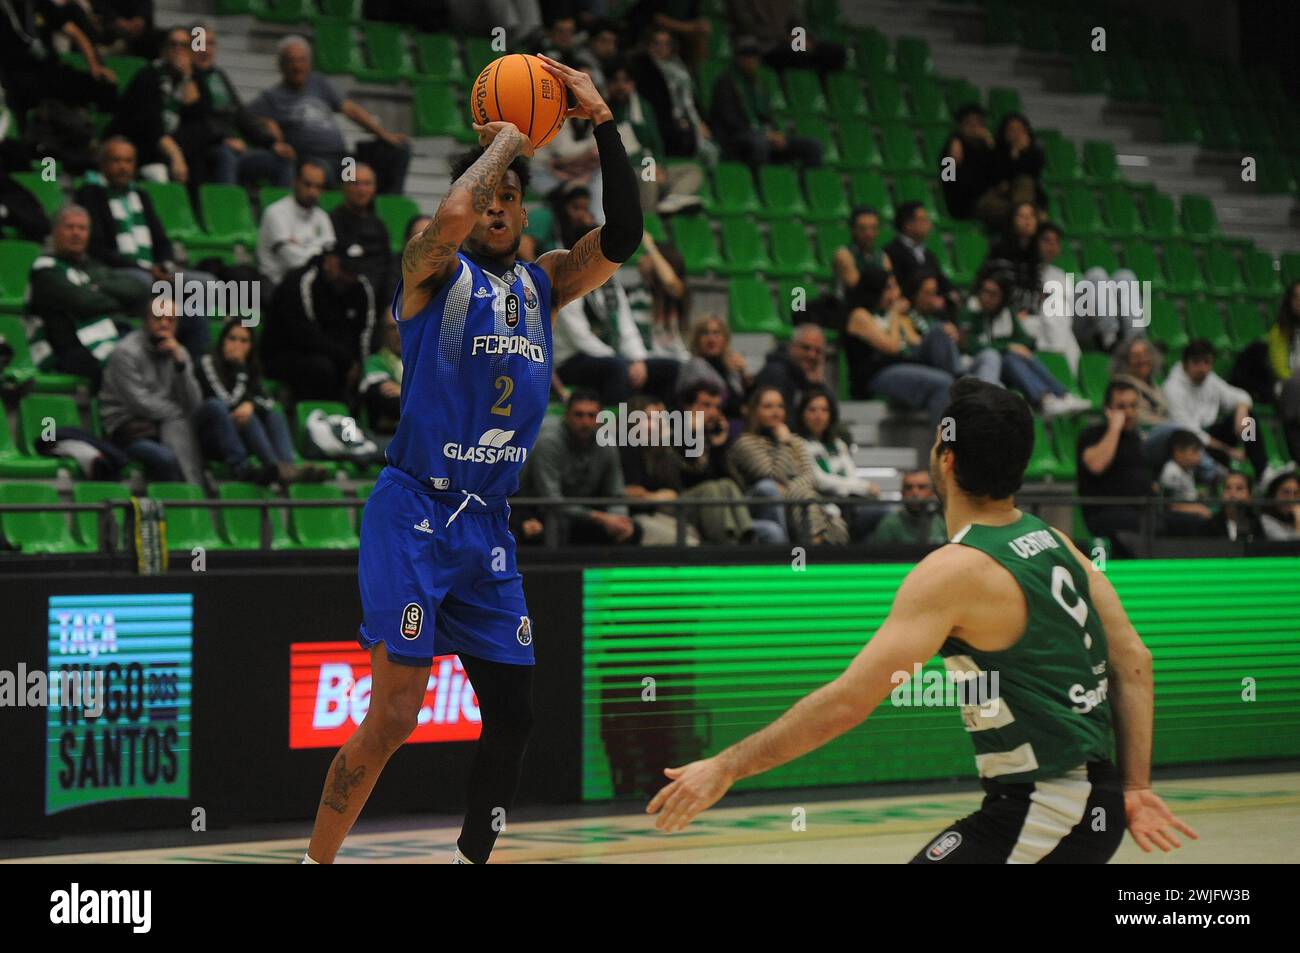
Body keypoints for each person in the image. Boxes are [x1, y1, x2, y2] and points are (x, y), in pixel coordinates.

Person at [304, 54, 643, 866]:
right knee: (394, 717)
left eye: (512, 195)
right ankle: (314, 862)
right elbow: (451, 216)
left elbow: (625, 236)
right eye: (489, 193)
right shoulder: (432, 271)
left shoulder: (545, 282)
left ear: (525, 210)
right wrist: (505, 143)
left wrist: (602, 120)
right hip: (413, 510)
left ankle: (469, 861)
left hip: (485, 523)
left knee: (515, 712)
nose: (497, 204)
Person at [648, 377, 1199, 864]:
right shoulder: (1053, 539)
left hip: (1048, 806)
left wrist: (727, 766)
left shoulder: (953, 570)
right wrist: (1135, 786)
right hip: (1087, 800)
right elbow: (1134, 661)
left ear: (947, 460)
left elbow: (847, 703)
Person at [248, 35, 410, 192]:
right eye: (291, 61)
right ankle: (349, 190)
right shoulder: (272, 97)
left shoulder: (319, 83)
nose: (297, 67)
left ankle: (390, 203)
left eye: (302, 60)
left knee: (396, 150)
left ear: (309, 63)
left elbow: (351, 110)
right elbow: (244, 117)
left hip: (343, 159)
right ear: (281, 65)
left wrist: (384, 135)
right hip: (312, 162)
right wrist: (266, 123)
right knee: (330, 175)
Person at [26, 205, 151, 390]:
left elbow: (138, 290)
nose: (76, 233)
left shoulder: (92, 267)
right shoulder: (45, 271)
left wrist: (98, 287)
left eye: (82, 228)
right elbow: (84, 302)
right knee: (128, 361)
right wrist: (119, 302)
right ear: (55, 232)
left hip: (112, 336)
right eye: (70, 227)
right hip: (72, 351)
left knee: (163, 354)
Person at [196, 316, 325, 486]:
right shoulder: (207, 362)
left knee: (272, 414)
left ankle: (286, 467)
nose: (237, 345)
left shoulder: (251, 366)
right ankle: (247, 468)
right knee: (218, 406)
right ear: (222, 340)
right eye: (232, 338)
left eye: (244, 341)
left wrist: (251, 404)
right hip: (211, 434)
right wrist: (240, 371)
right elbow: (226, 400)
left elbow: (267, 401)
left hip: (239, 432)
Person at [99, 295, 205, 484]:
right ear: (146, 320)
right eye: (158, 318)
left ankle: (193, 494)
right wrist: (179, 412)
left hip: (167, 425)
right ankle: (187, 496)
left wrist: (181, 366)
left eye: (170, 320)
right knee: (166, 458)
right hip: (129, 430)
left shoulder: (179, 353)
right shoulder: (125, 352)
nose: (164, 324)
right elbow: (141, 404)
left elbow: (195, 403)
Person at [959, 272, 1090, 420]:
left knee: (1023, 354)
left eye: (993, 294)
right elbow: (971, 346)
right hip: (978, 366)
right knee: (1010, 357)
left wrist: (1013, 346)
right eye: (984, 291)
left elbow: (1025, 340)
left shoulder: (1007, 313)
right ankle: (1045, 400)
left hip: (1007, 368)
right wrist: (1007, 346)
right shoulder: (969, 312)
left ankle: (1063, 395)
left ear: (1002, 297)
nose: (986, 297)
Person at [728, 385, 849, 545]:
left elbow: (809, 476)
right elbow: (772, 476)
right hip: (757, 505)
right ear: (754, 411)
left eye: (780, 406)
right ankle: (801, 546)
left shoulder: (795, 441)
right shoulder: (745, 443)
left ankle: (813, 543)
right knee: (770, 488)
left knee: (809, 497)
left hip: (792, 500)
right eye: (768, 406)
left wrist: (791, 489)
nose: (776, 412)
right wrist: (783, 444)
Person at [520, 389, 644, 546]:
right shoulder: (549, 442)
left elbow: (616, 494)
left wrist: (619, 520)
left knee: (633, 530)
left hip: (586, 513)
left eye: (591, 416)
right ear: (566, 416)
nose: (585, 422)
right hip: (542, 512)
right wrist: (600, 518)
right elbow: (551, 500)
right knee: (555, 525)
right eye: (579, 415)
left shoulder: (607, 444)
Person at [260, 245, 377, 401]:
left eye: (355, 269)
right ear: (329, 261)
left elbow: (366, 332)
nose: (350, 275)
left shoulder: (361, 287)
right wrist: (348, 361)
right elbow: (305, 335)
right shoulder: (302, 282)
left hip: (337, 356)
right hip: (287, 353)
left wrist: (361, 364)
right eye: (346, 267)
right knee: (322, 368)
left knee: (369, 373)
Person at [186, 22, 294, 188]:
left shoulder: (219, 76)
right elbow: (194, 119)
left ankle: (283, 205)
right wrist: (223, 140)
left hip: (231, 147)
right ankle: (228, 204)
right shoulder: (187, 79)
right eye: (200, 44)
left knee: (282, 161)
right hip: (205, 149)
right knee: (226, 155)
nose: (206, 50)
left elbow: (241, 115)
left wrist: (271, 144)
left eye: (211, 44)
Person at [841, 271, 954, 424]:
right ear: (875, 289)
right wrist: (895, 314)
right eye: (890, 287)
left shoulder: (888, 314)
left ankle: (958, 374)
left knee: (939, 331)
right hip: (876, 375)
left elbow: (916, 342)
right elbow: (893, 347)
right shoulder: (860, 315)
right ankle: (946, 440)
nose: (896, 293)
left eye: (896, 287)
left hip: (900, 365)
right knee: (944, 384)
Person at [709, 35, 821, 169]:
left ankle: (803, 182)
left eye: (755, 56)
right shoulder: (726, 83)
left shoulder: (759, 84)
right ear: (738, 58)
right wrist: (765, 135)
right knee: (759, 144)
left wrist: (775, 133)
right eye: (748, 55)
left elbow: (767, 116)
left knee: (812, 146)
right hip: (735, 137)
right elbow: (730, 121)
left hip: (763, 134)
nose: (752, 60)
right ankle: (755, 180)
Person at [606, 61, 702, 214]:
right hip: (627, 172)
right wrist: (652, 168)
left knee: (692, 170)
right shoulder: (604, 110)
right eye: (616, 81)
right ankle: (649, 222)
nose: (621, 86)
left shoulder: (643, 107)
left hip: (649, 165)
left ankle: (673, 198)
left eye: (626, 81)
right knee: (648, 178)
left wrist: (660, 167)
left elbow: (656, 144)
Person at [106, 27, 200, 184]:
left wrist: (187, 77)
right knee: (159, 173)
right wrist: (176, 155)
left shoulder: (192, 79)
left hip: (166, 148)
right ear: (163, 50)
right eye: (173, 44)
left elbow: (197, 116)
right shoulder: (148, 76)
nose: (178, 50)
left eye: (183, 46)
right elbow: (151, 125)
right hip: (138, 145)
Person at [1163, 339, 1266, 478]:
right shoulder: (1172, 388)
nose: (1203, 368)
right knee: (1208, 450)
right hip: (1190, 442)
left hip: (1212, 434)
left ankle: (1261, 470)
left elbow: (1240, 396)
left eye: (1207, 362)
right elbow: (1190, 432)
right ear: (1185, 364)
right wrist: (1228, 450)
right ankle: (1227, 478)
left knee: (1249, 419)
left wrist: (1242, 411)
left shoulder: (1210, 379)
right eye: (1196, 362)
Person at [795, 385, 883, 541]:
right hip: (822, 504)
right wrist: (864, 486)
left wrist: (858, 487)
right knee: (879, 513)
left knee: (883, 511)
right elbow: (820, 481)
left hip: (849, 501)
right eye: (812, 410)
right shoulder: (798, 444)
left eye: (824, 410)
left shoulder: (838, 443)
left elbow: (851, 475)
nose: (818, 415)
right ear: (802, 414)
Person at [1077, 381, 1155, 553]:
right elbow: (1097, 465)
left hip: (1141, 512)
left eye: (1133, 406)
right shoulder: (1092, 435)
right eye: (1121, 407)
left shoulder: (1137, 438)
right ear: (1108, 409)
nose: (1129, 412)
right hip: (1106, 515)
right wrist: (1114, 428)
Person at [257, 158, 336, 289]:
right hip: (277, 285)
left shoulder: (322, 216)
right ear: (295, 182)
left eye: (318, 187)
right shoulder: (276, 213)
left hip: (313, 283)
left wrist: (302, 248)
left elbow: (332, 256)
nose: (313, 192)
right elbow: (292, 261)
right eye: (308, 185)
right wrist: (319, 253)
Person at [329, 162, 392, 301]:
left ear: (374, 188)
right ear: (344, 187)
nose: (361, 189)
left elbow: (387, 267)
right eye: (355, 183)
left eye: (367, 183)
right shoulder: (331, 222)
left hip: (376, 298)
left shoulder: (379, 226)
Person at [675, 314, 750, 423]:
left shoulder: (729, 367)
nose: (711, 339)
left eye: (717, 333)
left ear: (725, 339)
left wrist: (744, 375)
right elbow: (719, 402)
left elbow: (744, 398)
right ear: (697, 339)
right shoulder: (694, 366)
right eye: (705, 333)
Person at [751, 322, 827, 416]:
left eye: (818, 351)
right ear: (792, 346)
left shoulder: (805, 377)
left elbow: (831, 416)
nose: (812, 355)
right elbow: (775, 417)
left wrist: (817, 385)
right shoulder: (776, 373)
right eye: (806, 348)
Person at [832, 205, 892, 304]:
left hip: (876, 305)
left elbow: (891, 287)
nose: (869, 233)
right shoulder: (844, 254)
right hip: (848, 307)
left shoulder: (882, 256)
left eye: (873, 228)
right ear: (853, 229)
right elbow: (858, 290)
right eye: (863, 229)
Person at [869, 468, 946, 545]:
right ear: (902, 492)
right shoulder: (889, 525)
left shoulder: (941, 523)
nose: (915, 492)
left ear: (932, 492)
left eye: (921, 487)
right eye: (909, 487)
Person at [1158, 429, 1213, 535]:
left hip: (1187, 514)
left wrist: (1198, 495)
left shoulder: (1188, 469)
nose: (1198, 457)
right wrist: (1197, 509)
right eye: (1194, 452)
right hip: (1174, 520)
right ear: (1178, 452)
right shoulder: (1171, 471)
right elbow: (1168, 506)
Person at [360, 315, 402, 435]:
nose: (398, 333)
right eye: (392, 328)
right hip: (383, 437)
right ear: (383, 333)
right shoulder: (374, 362)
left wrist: (403, 392)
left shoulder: (424, 362)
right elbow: (391, 405)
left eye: (403, 325)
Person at [1206, 471, 1263, 541]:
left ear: (1250, 496)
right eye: (1228, 488)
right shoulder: (1211, 525)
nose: (1232, 493)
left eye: (1239, 488)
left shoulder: (1257, 524)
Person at [1259, 470, 1300, 540]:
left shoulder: (1294, 518)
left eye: (1296, 493)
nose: (1291, 498)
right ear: (1274, 494)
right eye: (1286, 492)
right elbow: (1289, 544)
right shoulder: (1266, 520)